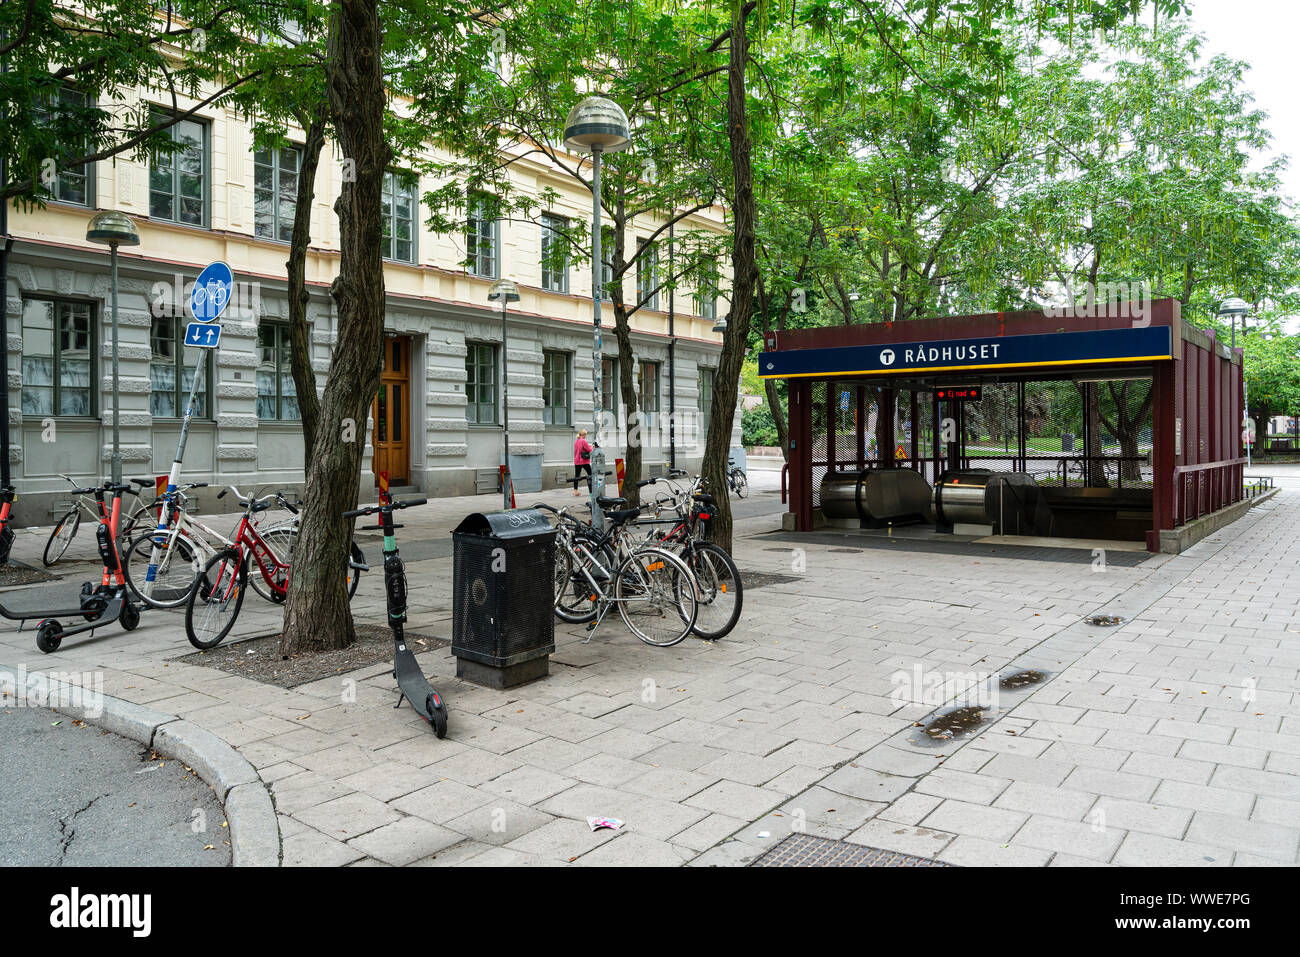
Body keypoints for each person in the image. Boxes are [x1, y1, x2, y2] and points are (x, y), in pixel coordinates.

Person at [573, 429, 593, 495]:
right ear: (584, 435)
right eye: (585, 435)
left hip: (577, 460)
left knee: (577, 476)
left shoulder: (576, 441)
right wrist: (592, 446)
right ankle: (592, 490)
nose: (585, 436)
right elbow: (589, 449)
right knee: (590, 474)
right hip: (584, 461)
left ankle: (575, 491)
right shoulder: (583, 441)